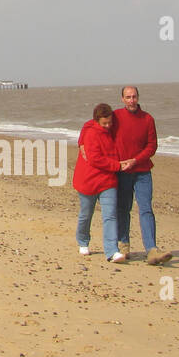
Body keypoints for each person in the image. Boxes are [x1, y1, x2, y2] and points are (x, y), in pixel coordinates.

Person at [113, 85, 171, 265]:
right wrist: (83, 143)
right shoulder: (115, 117)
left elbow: (152, 146)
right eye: (128, 97)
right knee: (123, 209)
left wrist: (135, 160)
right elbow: (95, 127)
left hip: (143, 172)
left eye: (134, 97)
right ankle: (124, 245)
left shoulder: (147, 119)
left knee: (146, 209)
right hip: (122, 172)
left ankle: (151, 250)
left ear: (138, 98)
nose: (131, 100)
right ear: (122, 99)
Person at [73, 103, 127, 262]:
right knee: (86, 214)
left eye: (110, 122)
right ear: (96, 121)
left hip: (108, 181)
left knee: (110, 215)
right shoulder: (90, 133)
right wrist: (117, 165)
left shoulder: (112, 127)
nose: (108, 126)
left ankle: (112, 251)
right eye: (104, 123)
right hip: (87, 181)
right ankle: (83, 241)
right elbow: (95, 159)